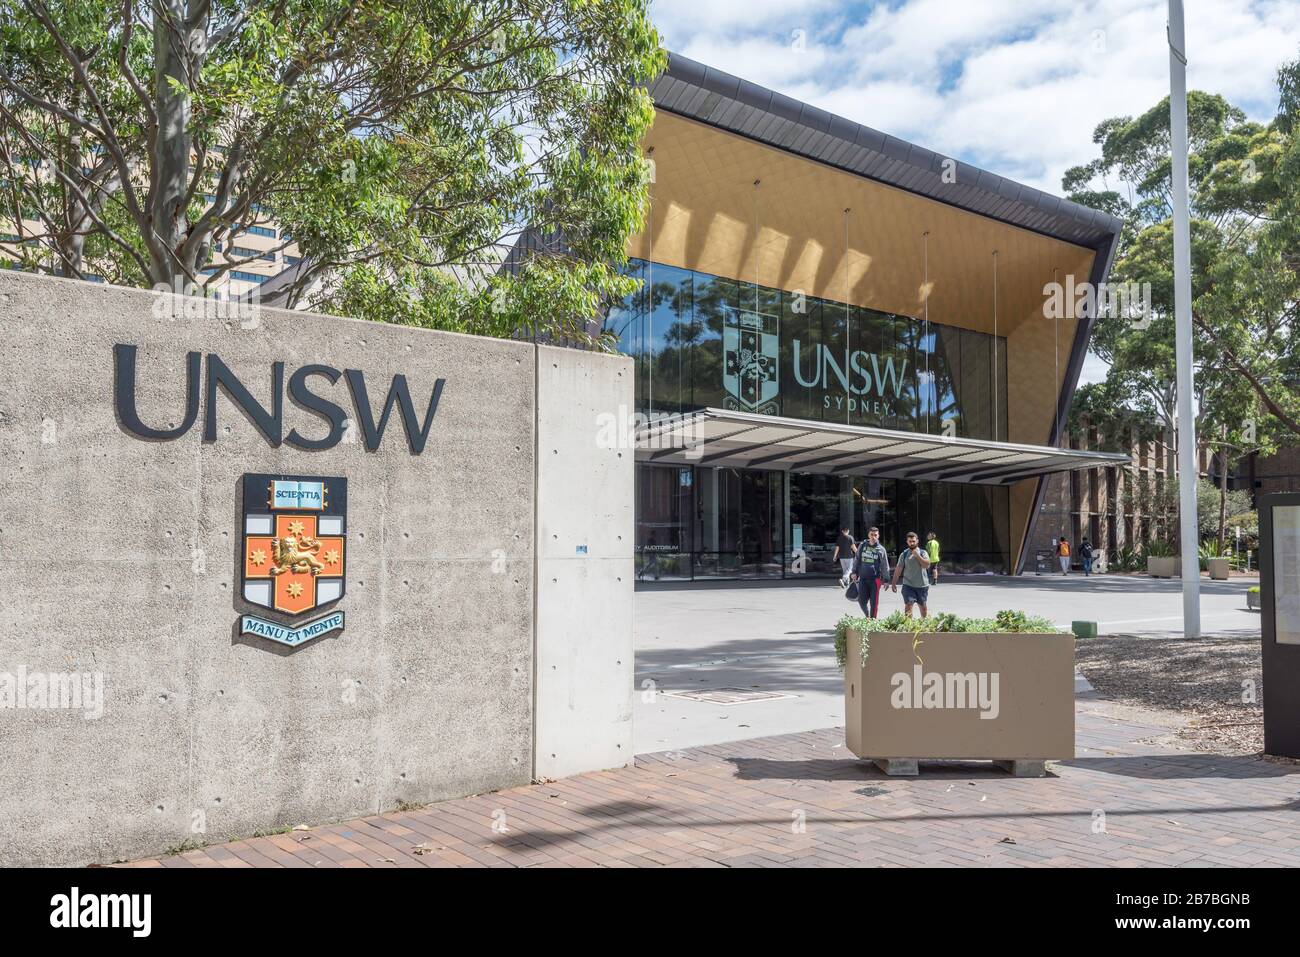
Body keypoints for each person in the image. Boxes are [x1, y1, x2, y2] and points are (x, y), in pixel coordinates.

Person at [850, 526, 890, 619]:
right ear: (868, 535)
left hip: (875, 580)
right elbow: (857, 559)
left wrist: (887, 580)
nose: (873, 537)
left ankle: (872, 621)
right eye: (871, 535)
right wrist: (854, 572)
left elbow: (885, 565)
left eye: (875, 535)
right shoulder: (862, 545)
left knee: (874, 603)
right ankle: (867, 616)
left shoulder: (881, 549)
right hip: (863, 579)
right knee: (861, 601)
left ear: (878, 536)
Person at [890, 531, 932, 619]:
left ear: (917, 541)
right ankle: (908, 627)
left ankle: (923, 625)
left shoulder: (923, 553)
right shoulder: (904, 554)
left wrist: (917, 556)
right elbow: (898, 569)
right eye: (910, 541)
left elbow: (927, 565)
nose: (912, 543)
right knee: (908, 605)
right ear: (907, 542)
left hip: (922, 585)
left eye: (913, 541)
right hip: (908, 585)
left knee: (923, 608)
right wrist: (893, 583)